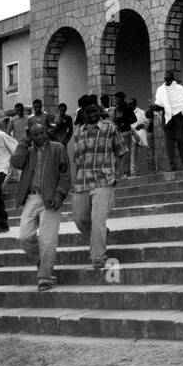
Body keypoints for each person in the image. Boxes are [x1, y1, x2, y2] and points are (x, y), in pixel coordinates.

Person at [11, 121, 71, 292]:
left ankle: (45, 278)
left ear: (46, 132)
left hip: (51, 199)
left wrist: (60, 194)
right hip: (31, 198)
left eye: (42, 133)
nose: (40, 137)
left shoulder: (57, 148)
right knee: (24, 237)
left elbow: (65, 174)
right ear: (31, 135)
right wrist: (23, 142)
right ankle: (45, 259)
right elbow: (15, 162)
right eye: (35, 134)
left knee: (47, 240)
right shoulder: (28, 152)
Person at [69, 101, 128, 271]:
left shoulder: (110, 128)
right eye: (88, 113)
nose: (92, 115)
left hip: (104, 180)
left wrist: (117, 173)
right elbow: (77, 160)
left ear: (99, 111)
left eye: (94, 111)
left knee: (97, 221)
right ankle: (101, 235)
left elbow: (121, 152)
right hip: (82, 181)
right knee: (79, 219)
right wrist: (74, 181)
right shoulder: (78, 132)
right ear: (84, 114)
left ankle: (98, 257)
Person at [154, 72, 183, 170]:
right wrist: (155, 107)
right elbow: (159, 104)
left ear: (172, 79)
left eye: (169, 79)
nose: (167, 81)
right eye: (166, 79)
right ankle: (171, 164)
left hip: (178, 116)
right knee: (168, 142)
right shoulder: (161, 90)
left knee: (180, 139)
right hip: (167, 117)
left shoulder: (179, 89)